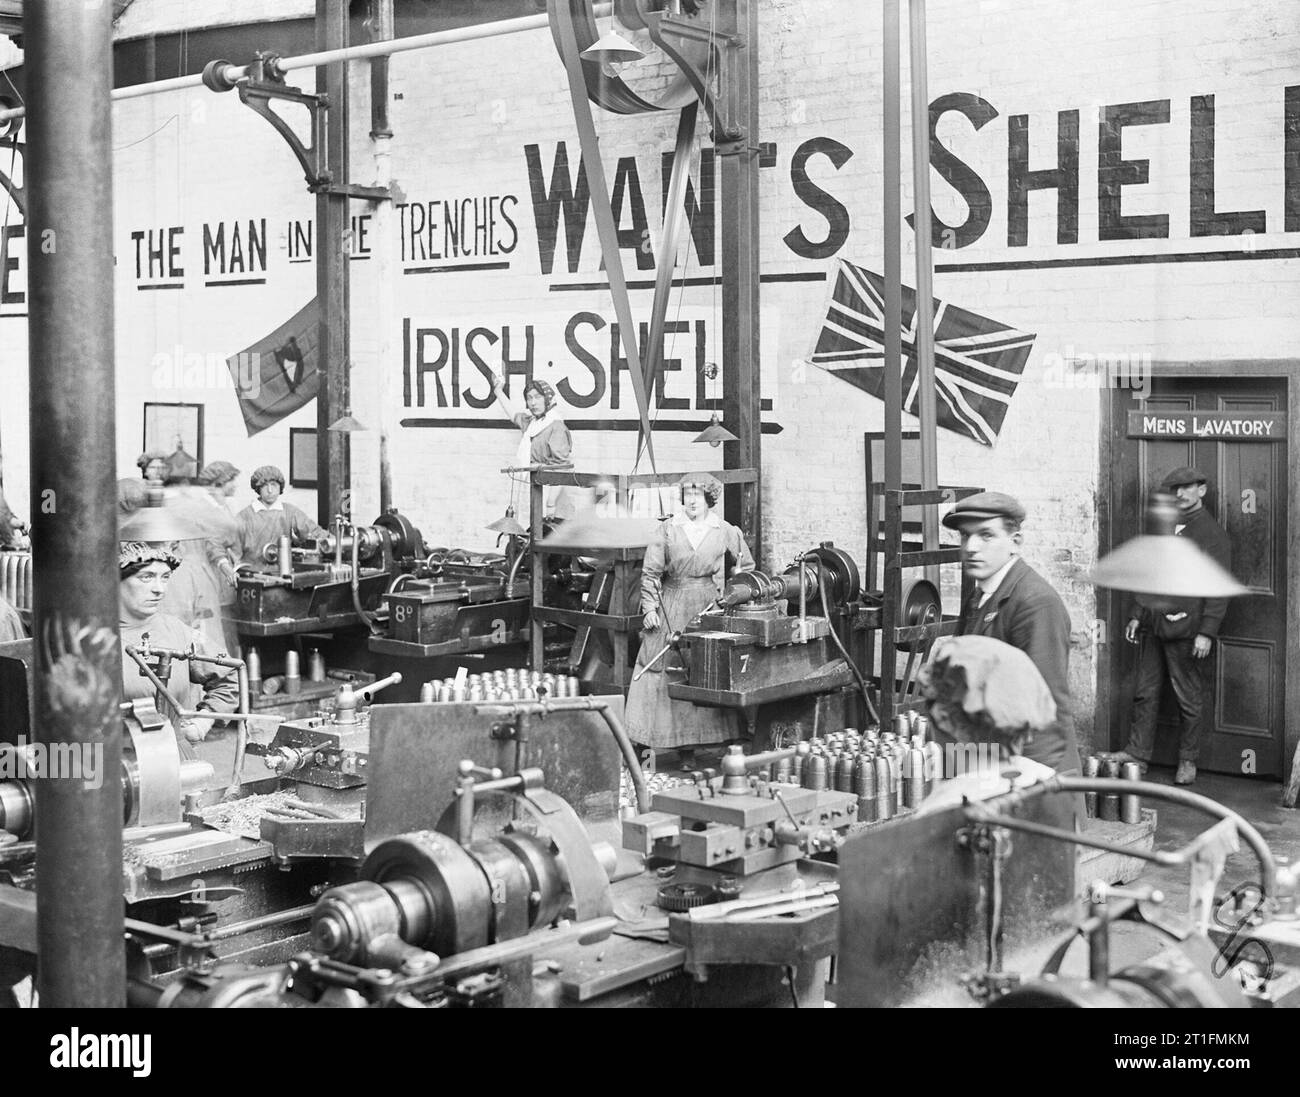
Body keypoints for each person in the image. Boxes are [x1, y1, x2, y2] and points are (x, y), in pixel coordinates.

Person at [942, 491, 1081, 774]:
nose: (971, 547)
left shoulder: (1034, 603)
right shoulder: (981, 598)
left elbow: (1045, 713)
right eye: (965, 536)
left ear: (1015, 543)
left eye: (986, 535)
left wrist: (1021, 789)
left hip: (1033, 774)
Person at [624, 472, 755, 766]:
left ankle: (695, 747)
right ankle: (647, 743)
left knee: (702, 670)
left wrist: (731, 593)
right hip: (671, 604)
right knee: (661, 669)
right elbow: (651, 574)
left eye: (697, 495)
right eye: (687, 495)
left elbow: (746, 567)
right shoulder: (668, 530)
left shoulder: (724, 530)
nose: (692, 501)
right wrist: (649, 609)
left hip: (707, 607)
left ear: (708, 498)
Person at [1117, 467, 1232, 786]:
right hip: (1154, 626)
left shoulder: (1212, 535)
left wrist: (1207, 632)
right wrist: (1138, 613)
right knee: (1145, 692)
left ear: (1202, 490)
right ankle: (1138, 754)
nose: (1180, 494)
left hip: (1187, 630)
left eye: (1187, 488)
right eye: (1175, 488)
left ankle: (1188, 760)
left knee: (1188, 698)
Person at [118, 541, 238, 758]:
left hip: (176, 761)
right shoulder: (92, 640)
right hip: (118, 765)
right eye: (146, 577)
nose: (159, 589)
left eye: (165, 577)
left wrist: (203, 722)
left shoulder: (177, 631)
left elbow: (229, 675)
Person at [490, 374, 575, 519]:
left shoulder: (556, 426)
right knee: (527, 533)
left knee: (546, 535)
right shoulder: (532, 424)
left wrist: (550, 504)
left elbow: (561, 469)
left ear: (547, 398)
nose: (533, 403)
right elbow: (513, 415)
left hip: (549, 491)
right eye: (529, 398)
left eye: (537, 397)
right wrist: (498, 390)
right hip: (531, 486)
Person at [234, 465, 327, 573]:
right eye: (265, 486)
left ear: (280, 487)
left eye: (273, 485)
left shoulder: (290, 512)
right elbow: (231, 549)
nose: (270, 490)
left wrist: (333, 542)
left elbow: (313, 532)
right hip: (250, 576)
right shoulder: (244, 516)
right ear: (258, 488)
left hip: (282, 574)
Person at [197, 461, 243, 653]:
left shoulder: (223, 506)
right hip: (214, 576)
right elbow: (213, 545)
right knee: (218, 626)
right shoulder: (209, 510)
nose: (235, 485)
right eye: (232, 480)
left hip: (224, 576)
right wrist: (227, 569)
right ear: (221, 482)